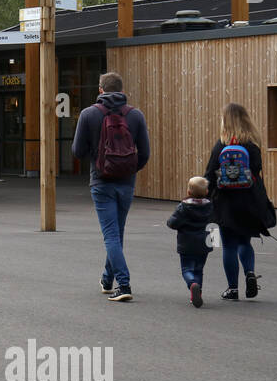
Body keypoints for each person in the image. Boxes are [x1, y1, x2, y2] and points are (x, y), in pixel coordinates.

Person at [71, 71, 151, 302]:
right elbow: (144, 153)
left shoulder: (88, 114)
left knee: (110, 234)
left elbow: (77, 151)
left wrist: (96, 160)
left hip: (101, 180)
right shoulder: (135, 115)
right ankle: (107, 279)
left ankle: (123, 284)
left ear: (100, 90)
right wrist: (130, 169)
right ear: (122, 90)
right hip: (126, 182)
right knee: (117, 232)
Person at [204, 103, 269, 300]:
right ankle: (249, 272)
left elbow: (209, 174)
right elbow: (256, 170)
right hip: (248, 201)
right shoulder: (251, 144)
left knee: (229, 245)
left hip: (226, 202)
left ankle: (232, 288)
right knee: (244, 242)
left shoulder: (221, 145)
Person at [167, 176, 214, 308]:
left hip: (186, 243)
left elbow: (172, 223)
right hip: (204, 243)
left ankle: (192, 284)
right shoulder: (210, 206)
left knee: (187, 268)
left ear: (188, 192)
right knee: (199, 269)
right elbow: (214, 223)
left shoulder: (183, 207)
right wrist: (214, 242)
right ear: (206, 192)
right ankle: (198, 292)